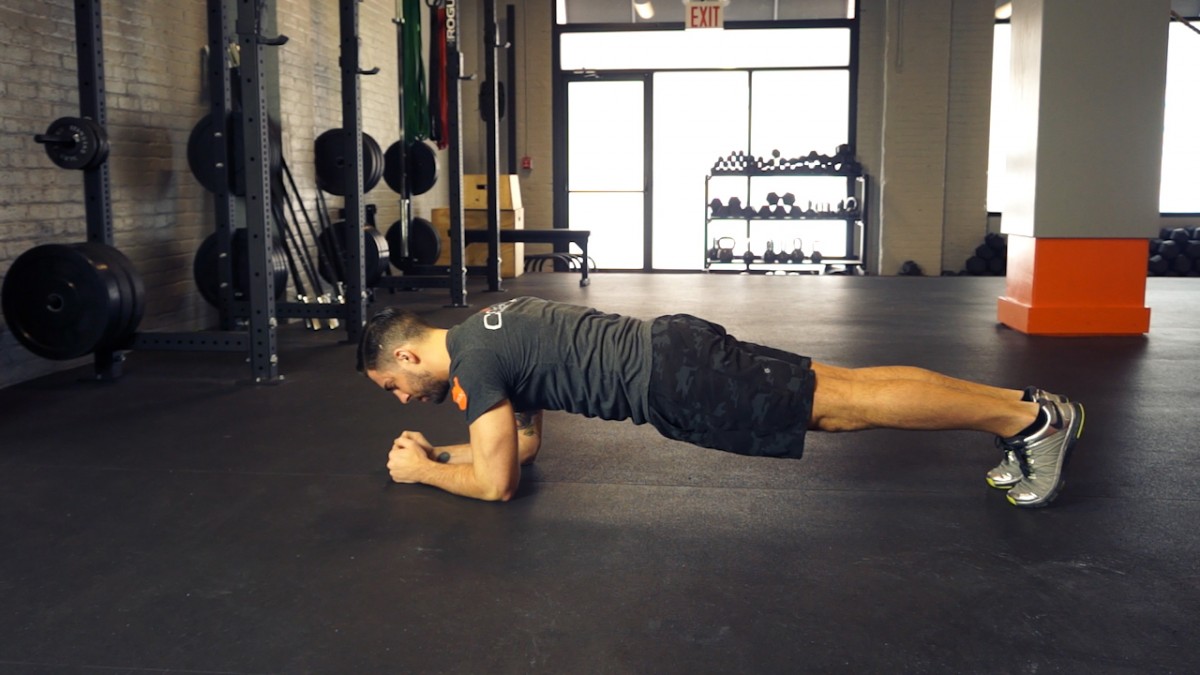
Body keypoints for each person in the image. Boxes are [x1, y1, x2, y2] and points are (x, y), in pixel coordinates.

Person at [358, 297, 1084, 508]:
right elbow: (520, 448)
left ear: (410, 354)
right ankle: (1026, 412)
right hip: (676, 351)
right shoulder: (493, 327)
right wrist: (441, 451)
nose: (401, 400)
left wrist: (425, 471)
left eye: (393, 384)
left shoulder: (476, 367)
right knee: (845, 393)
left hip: (677, 382)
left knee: (845, 404)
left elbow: (497, 484)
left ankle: (1032, 418)